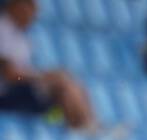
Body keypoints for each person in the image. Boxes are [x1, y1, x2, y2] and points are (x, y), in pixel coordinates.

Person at [0, 0, 97, 129]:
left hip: (19, 89)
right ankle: (81, 127)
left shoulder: (21, 38)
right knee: (61, 85)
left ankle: (87, 124)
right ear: (16, 7)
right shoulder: (3, 30)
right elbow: (10, 75)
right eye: (28, 11)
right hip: (6, 93)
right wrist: (42, 77)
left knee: (73, 84)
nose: (31, 17)